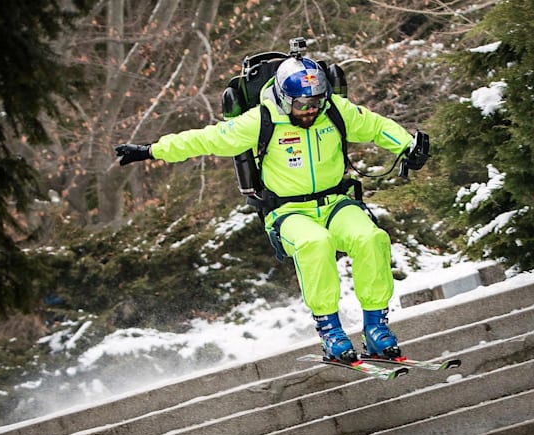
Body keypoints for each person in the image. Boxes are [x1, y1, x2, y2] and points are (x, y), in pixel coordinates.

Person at [115, 56, 429, 362]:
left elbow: (375, 126)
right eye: (301, 104)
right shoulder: (261, 120)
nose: (309, 110)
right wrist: (151, 150)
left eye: (316, 102)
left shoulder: (334, 111)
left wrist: (407, 145)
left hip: (336, 203)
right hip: (288, 211)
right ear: (283, 98)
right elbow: (206, 139)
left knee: (371, 238)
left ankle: (375, 326)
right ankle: (330, 330)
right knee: (315, 244)